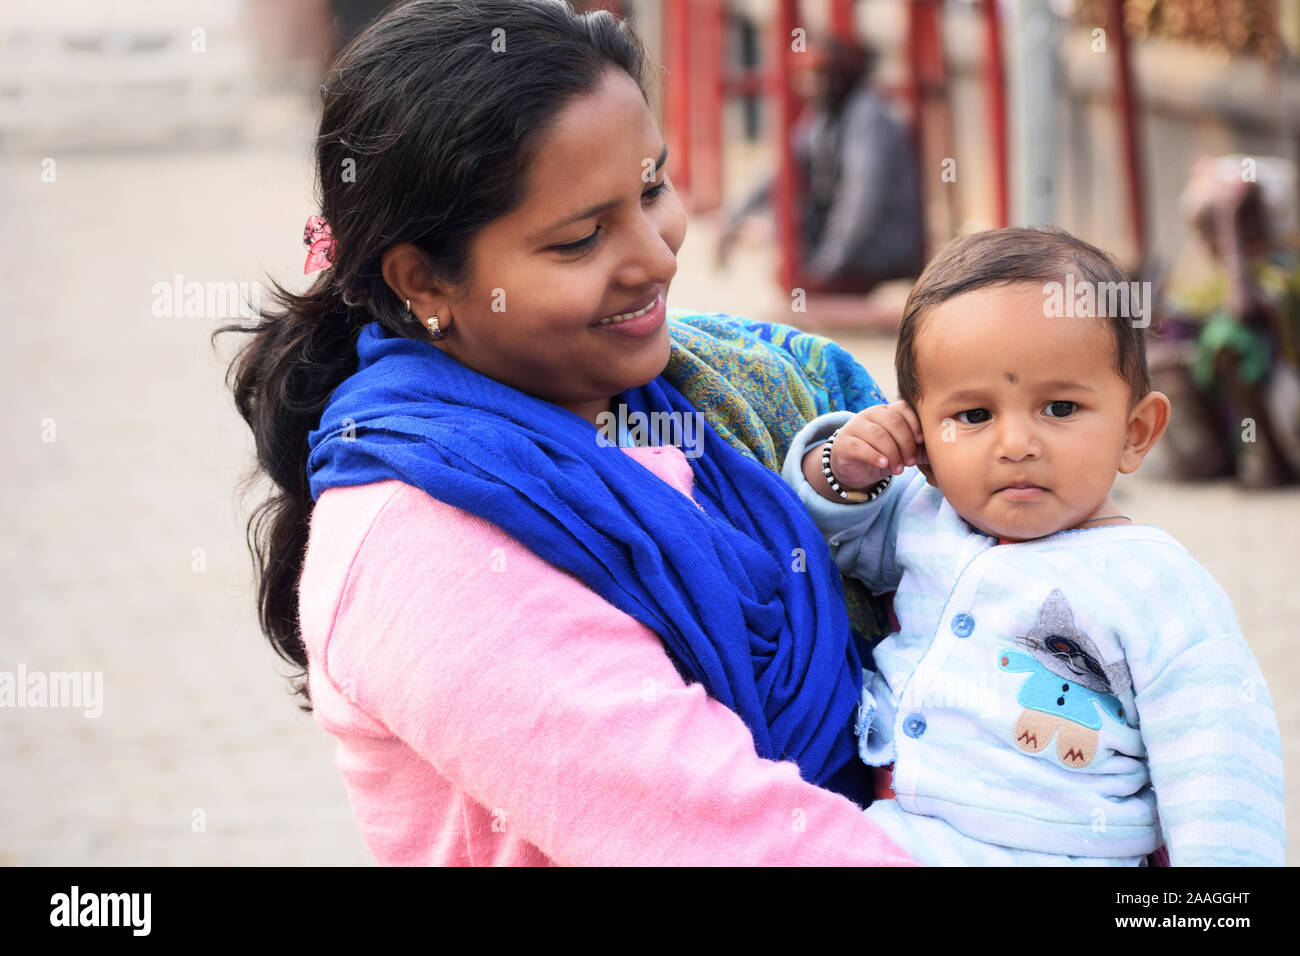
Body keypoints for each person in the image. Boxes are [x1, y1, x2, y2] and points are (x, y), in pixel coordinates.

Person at [216, 0, 915, 866]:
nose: (656, 257)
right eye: (582, 238)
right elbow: (735, 839)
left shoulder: (713, 396)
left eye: (653, 188)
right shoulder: (420, 543)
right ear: (425, 282)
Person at [783, 227, 1286, 865]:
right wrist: (845, 468)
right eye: (973, 417)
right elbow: (827, 537)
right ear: (923, 445)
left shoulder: (1158, 584)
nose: (1016, 442)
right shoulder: (923, 516)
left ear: (1136, 432)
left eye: (1059, 407)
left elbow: (1221, 768)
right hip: (893, 837)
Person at [715, 37, 924, 294]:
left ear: (838, 77)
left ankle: (825, 279)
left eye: (817, 76)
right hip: (847, 242)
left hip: (881, 244)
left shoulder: (868, 116)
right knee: (790, 204)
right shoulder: (824, 114)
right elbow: (782, 170)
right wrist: (733, 215)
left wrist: (828, 265)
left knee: (797, 225)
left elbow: (861, 199)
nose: (808, 85)